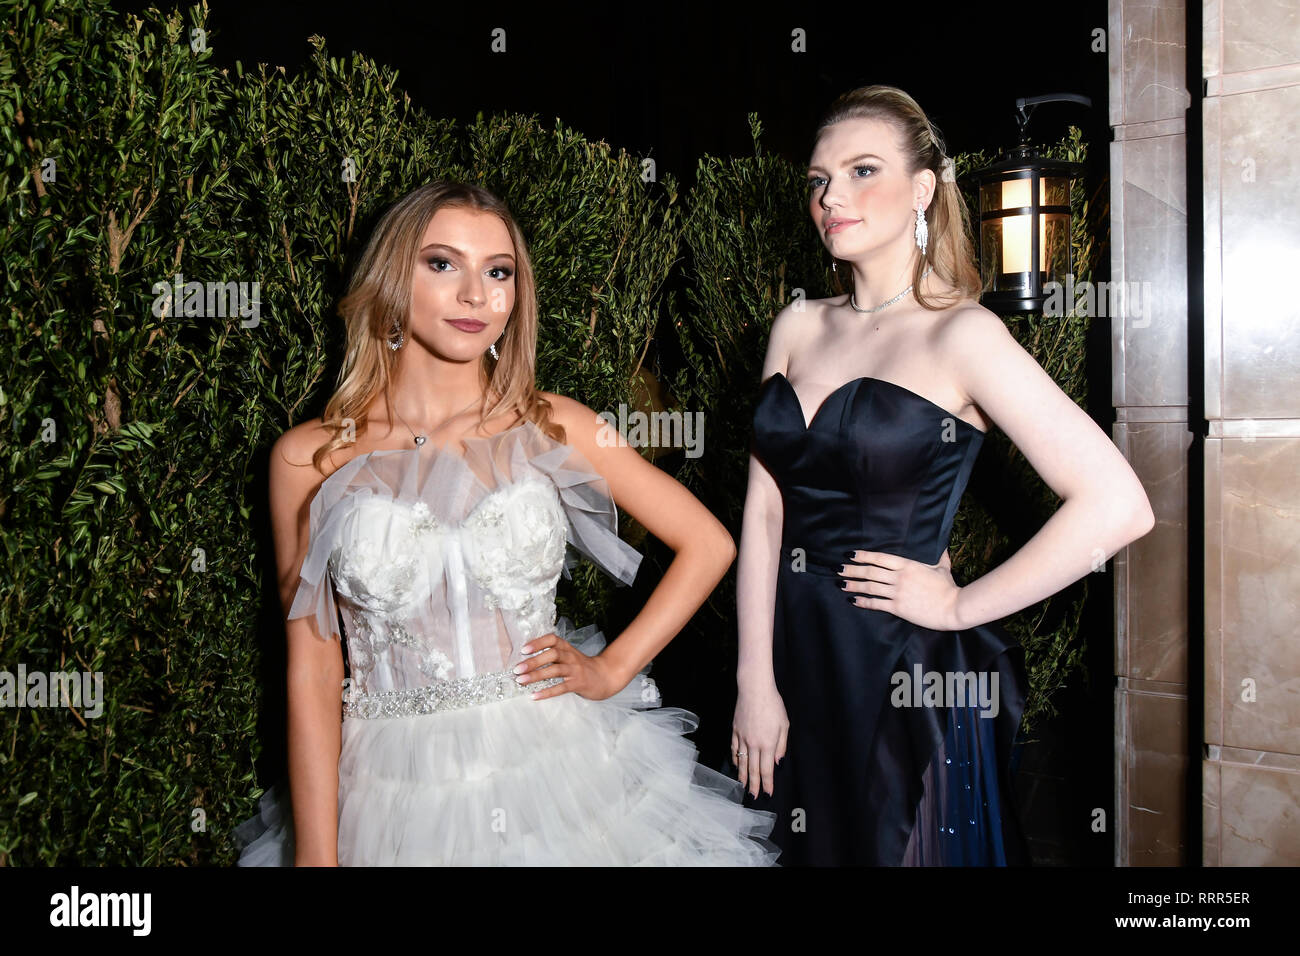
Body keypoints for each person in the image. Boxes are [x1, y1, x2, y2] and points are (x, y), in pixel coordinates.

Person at [234, 180, 779, 866]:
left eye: (499, 272)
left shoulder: (554, 424)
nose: (476, 294)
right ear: (389, 279)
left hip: (560, 774)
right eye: (442, 264)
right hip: (391, 794)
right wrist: (317, 857)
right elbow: (312, 668)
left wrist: (612, 670)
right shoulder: (308, 457)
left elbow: (708, 543)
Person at [732, 85, 1155, 865]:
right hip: (794, 654)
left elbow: (1118, 504)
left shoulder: (964, 335)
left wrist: (961, 605)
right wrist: (753, 677)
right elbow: (764, 514)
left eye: (863, 171)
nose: (832, 197)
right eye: (820, 180)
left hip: (902, 668)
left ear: (924, 188)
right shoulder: (796, 324)